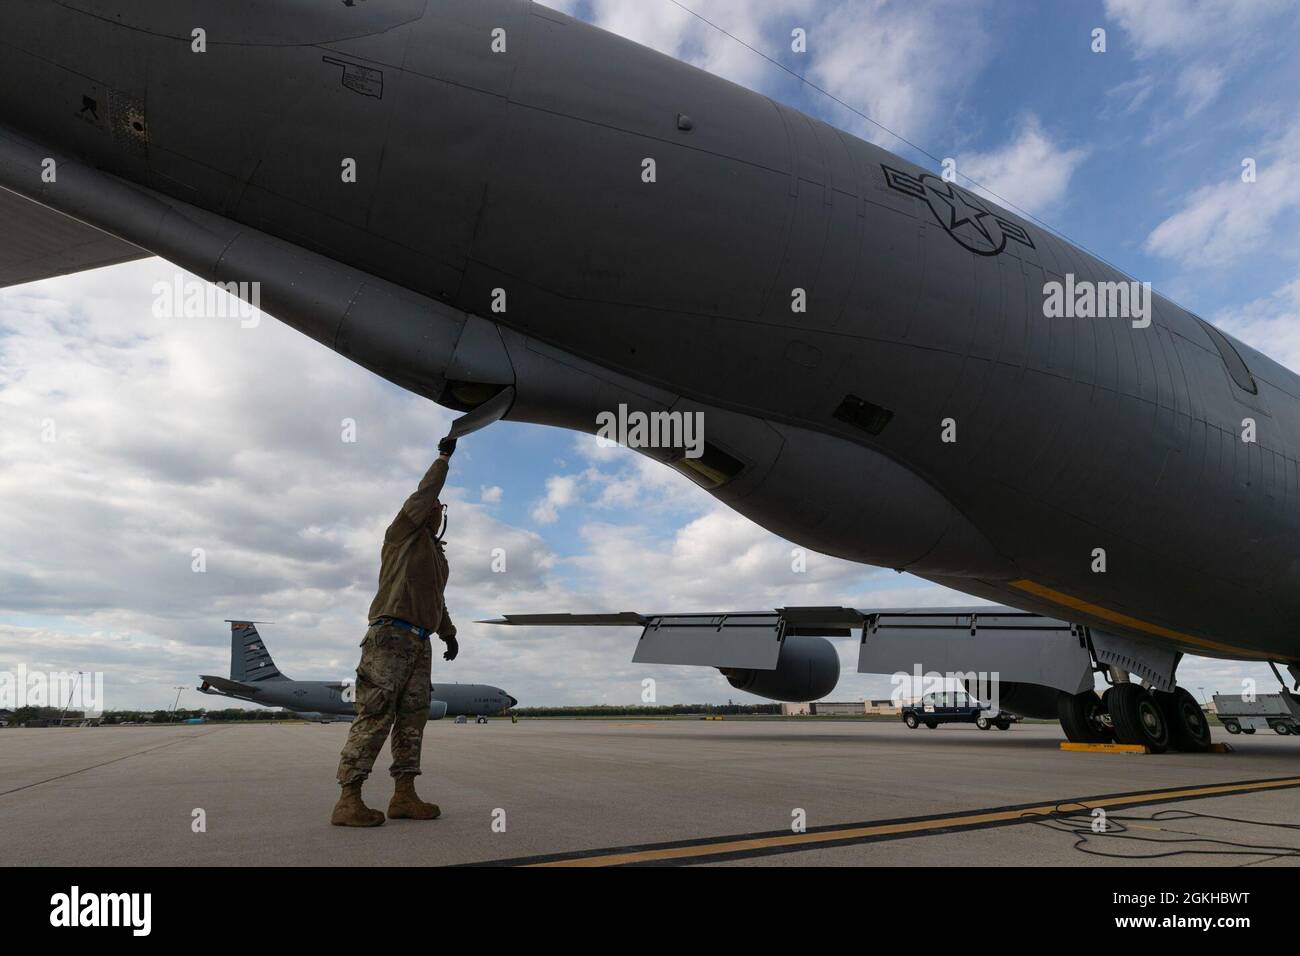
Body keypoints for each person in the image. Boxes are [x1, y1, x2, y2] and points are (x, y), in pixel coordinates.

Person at [331, 436, 460, 827]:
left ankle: (404, 794)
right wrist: (443, 459)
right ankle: (348, 799)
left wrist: (448, 633)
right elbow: (423, 495)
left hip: (419, 643)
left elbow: (437, 601)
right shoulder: (400, 535)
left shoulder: (436, 557)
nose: (436, 509)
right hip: (389, 637)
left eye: (440, 507)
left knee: (412, 720)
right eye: (433, 505)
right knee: (375, 715)